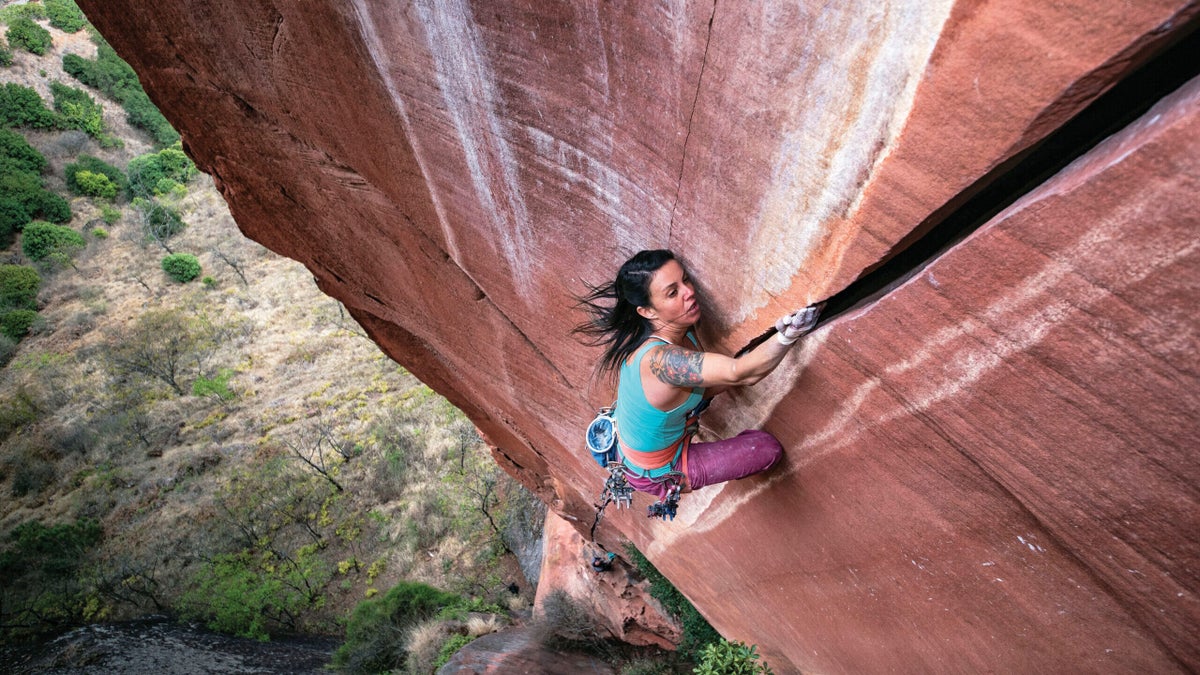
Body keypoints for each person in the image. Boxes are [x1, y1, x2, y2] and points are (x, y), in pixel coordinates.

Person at [575, 249, 820, 504]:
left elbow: (719, 380)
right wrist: (787, 336)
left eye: (686, 280)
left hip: (644, 433)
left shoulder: (675, 329)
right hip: (655, 468)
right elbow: (741, 373)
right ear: (647, 311)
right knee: (765, 449)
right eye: (672, 293)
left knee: (705, 388)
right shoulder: (663, 361)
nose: (688, 292)